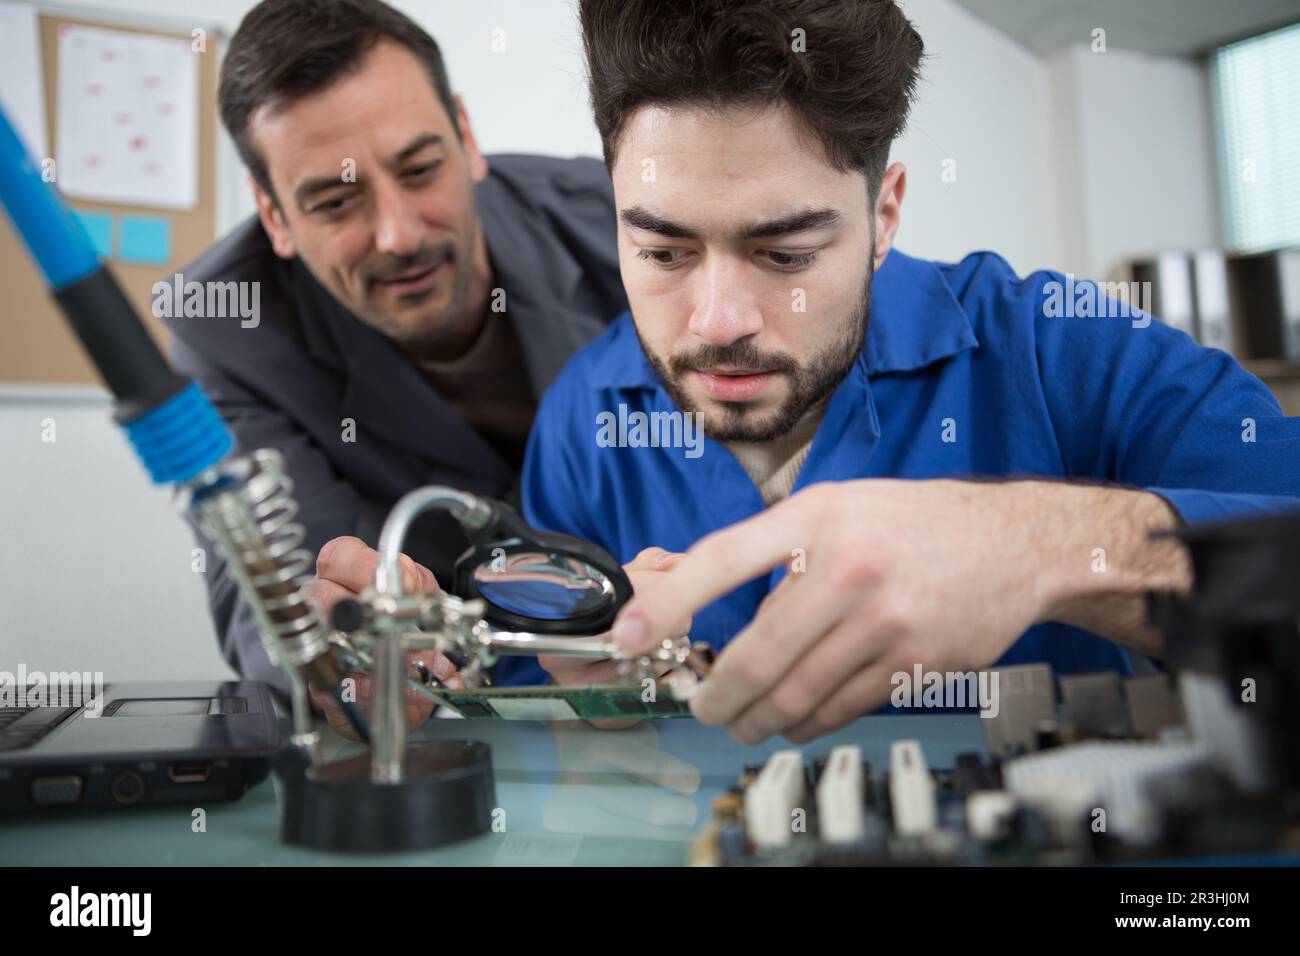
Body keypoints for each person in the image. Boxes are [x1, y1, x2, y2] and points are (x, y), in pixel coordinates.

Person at [514, 0, 1300, 742]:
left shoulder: (1060, 349)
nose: (719, 321)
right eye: (662, 252)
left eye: (785, 254)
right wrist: (587, 705)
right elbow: (521, 691)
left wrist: (1039, 548)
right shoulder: (582, 420)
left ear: (884, 214)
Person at [164, 0, 627, 724]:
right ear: (275, 215)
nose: (399, 235)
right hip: (468, 714)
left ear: (467, 136)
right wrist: (326, 649)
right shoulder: (227, 324)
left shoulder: (618, 213)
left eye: (419, 169)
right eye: (334, 202)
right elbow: (273, 592)